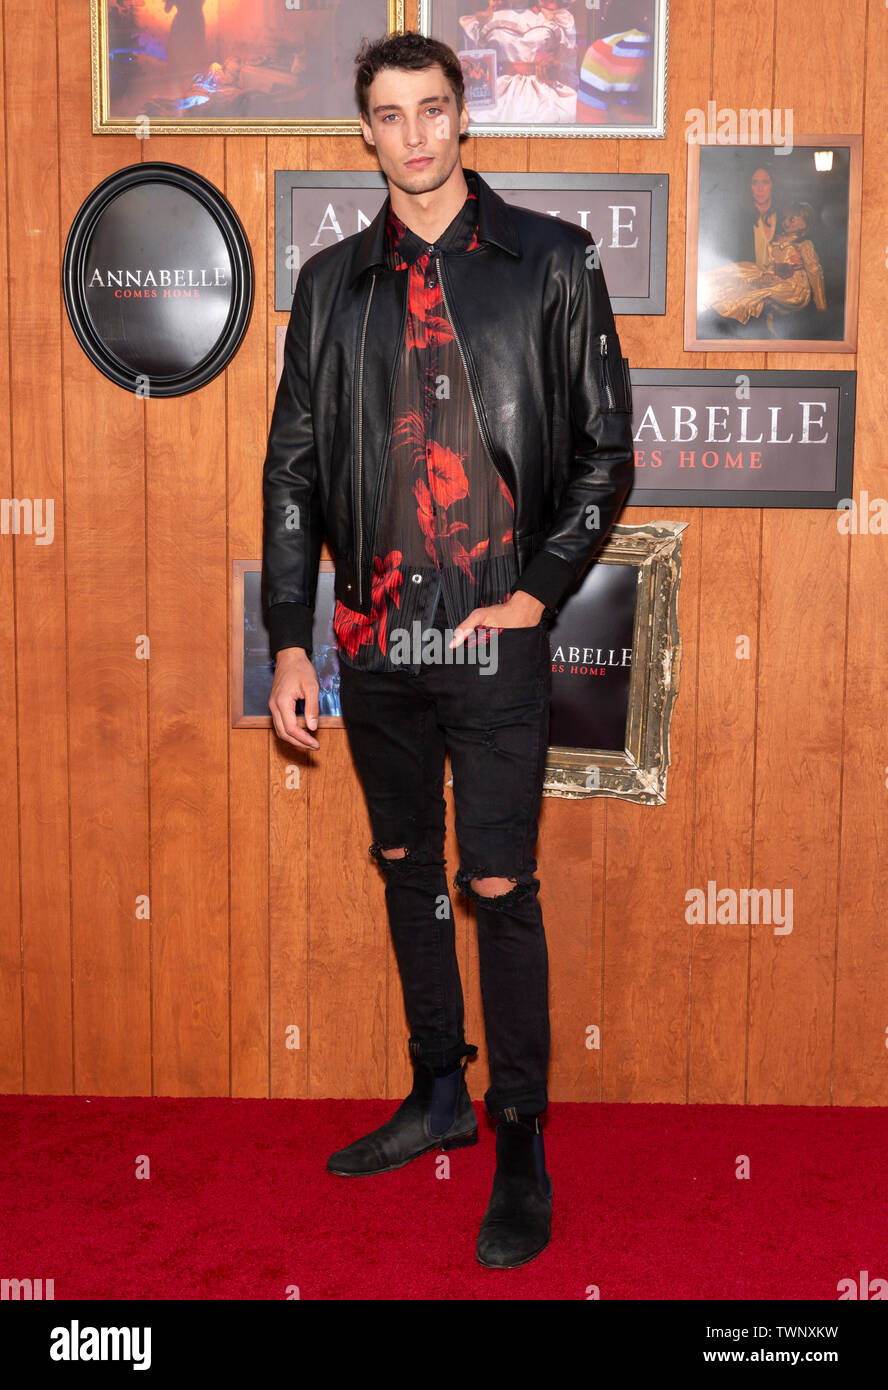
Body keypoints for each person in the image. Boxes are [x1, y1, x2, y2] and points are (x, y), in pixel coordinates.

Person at [261, 28, 633, 1269]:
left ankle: (518, 1132)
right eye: (389, 114)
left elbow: (605, 452)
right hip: (372, 640)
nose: (414, 135)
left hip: (491, 637)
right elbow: (294, 473)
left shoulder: (550, 260)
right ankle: (438, 1096)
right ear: (362, 132)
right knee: (408, 866)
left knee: (492, 883)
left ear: (463, 116)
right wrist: (288, 640)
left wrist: (536, 593)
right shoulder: (331, 286)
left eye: (433, 110)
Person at [698, 201, 826, 336]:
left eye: (792, 219)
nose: (786, 223)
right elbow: (772, 263)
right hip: (776, 277)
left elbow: (815, 272)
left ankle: (726, 318)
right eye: (785, 219)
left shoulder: (804, 245)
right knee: (747, 269)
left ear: (804, 223)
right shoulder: (777, 240)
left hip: (794, 287)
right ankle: (715, 303)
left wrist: (820, 303)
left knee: (759, 291)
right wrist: (769, 273)